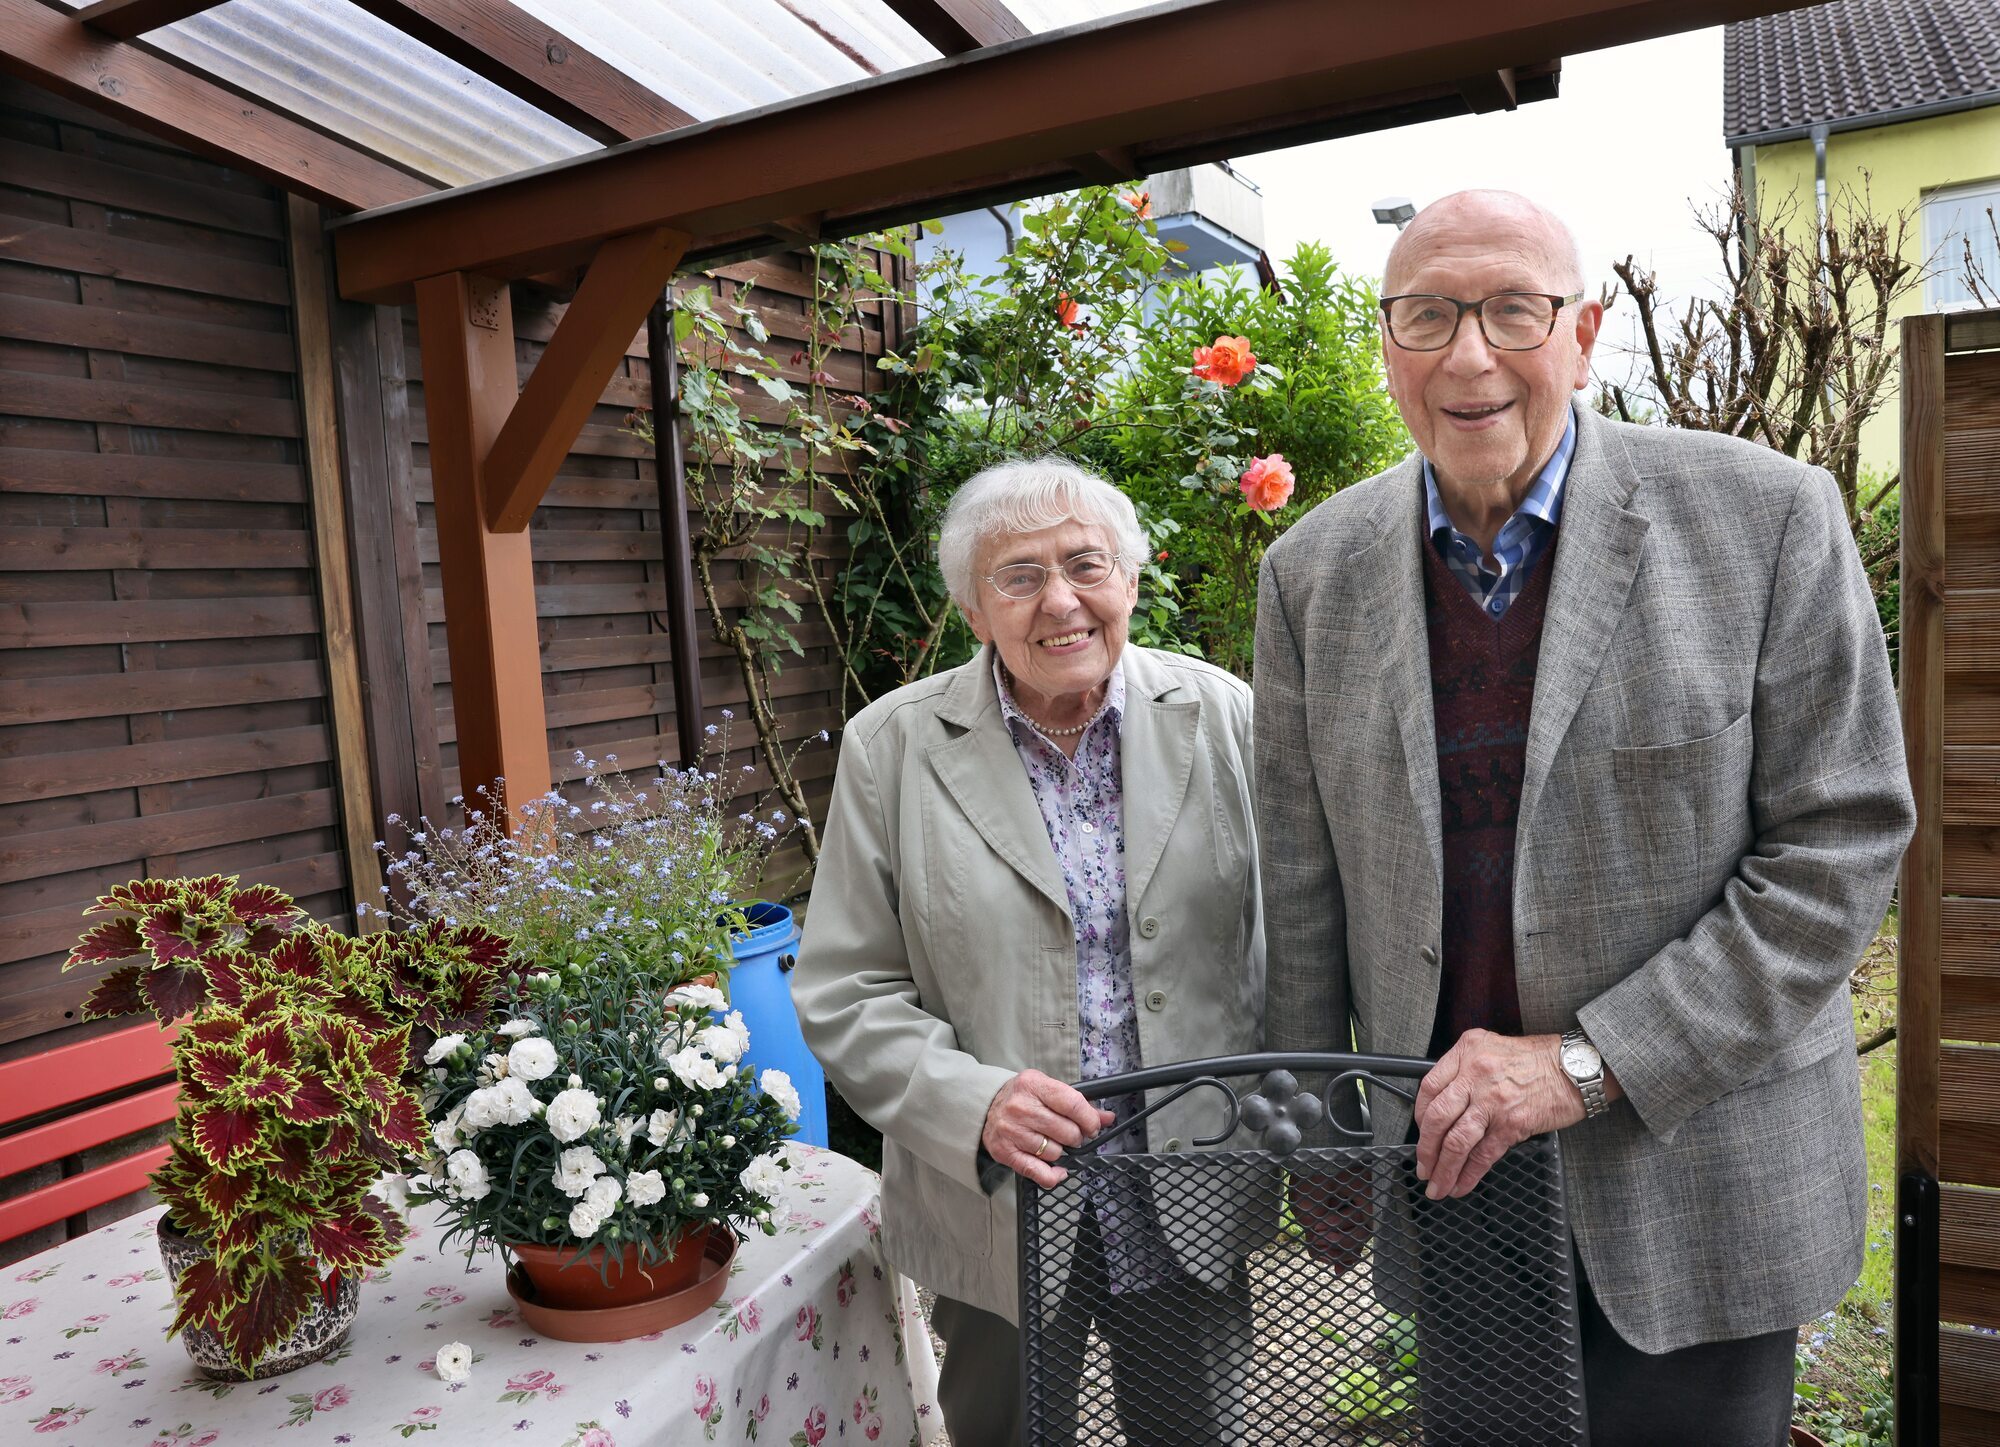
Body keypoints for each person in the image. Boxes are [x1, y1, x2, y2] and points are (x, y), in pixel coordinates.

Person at [1253, 190, 1915, 1447]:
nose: (1467, 355)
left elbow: (1837, 847)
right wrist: (1325, 1142)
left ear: (1584, 329)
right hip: (1453, 1175)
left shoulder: (1766, 519)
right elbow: (1301, 887)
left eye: (1512, 309)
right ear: (1385, 343)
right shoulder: (1308, 576)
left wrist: (1583, 1061)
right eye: (1426, 315)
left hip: (1702, 1170)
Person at [793, 458, 1267, 1447]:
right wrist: (975, 1102)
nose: (1059, 600)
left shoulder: (1223, 715)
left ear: (1129, 581)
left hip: (1185, 1178)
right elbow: (844, 987)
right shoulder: (894, 748)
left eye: (1085, 565)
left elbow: (1291, 936)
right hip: (995, 1201)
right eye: (1016, 576)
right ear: (974, 607)